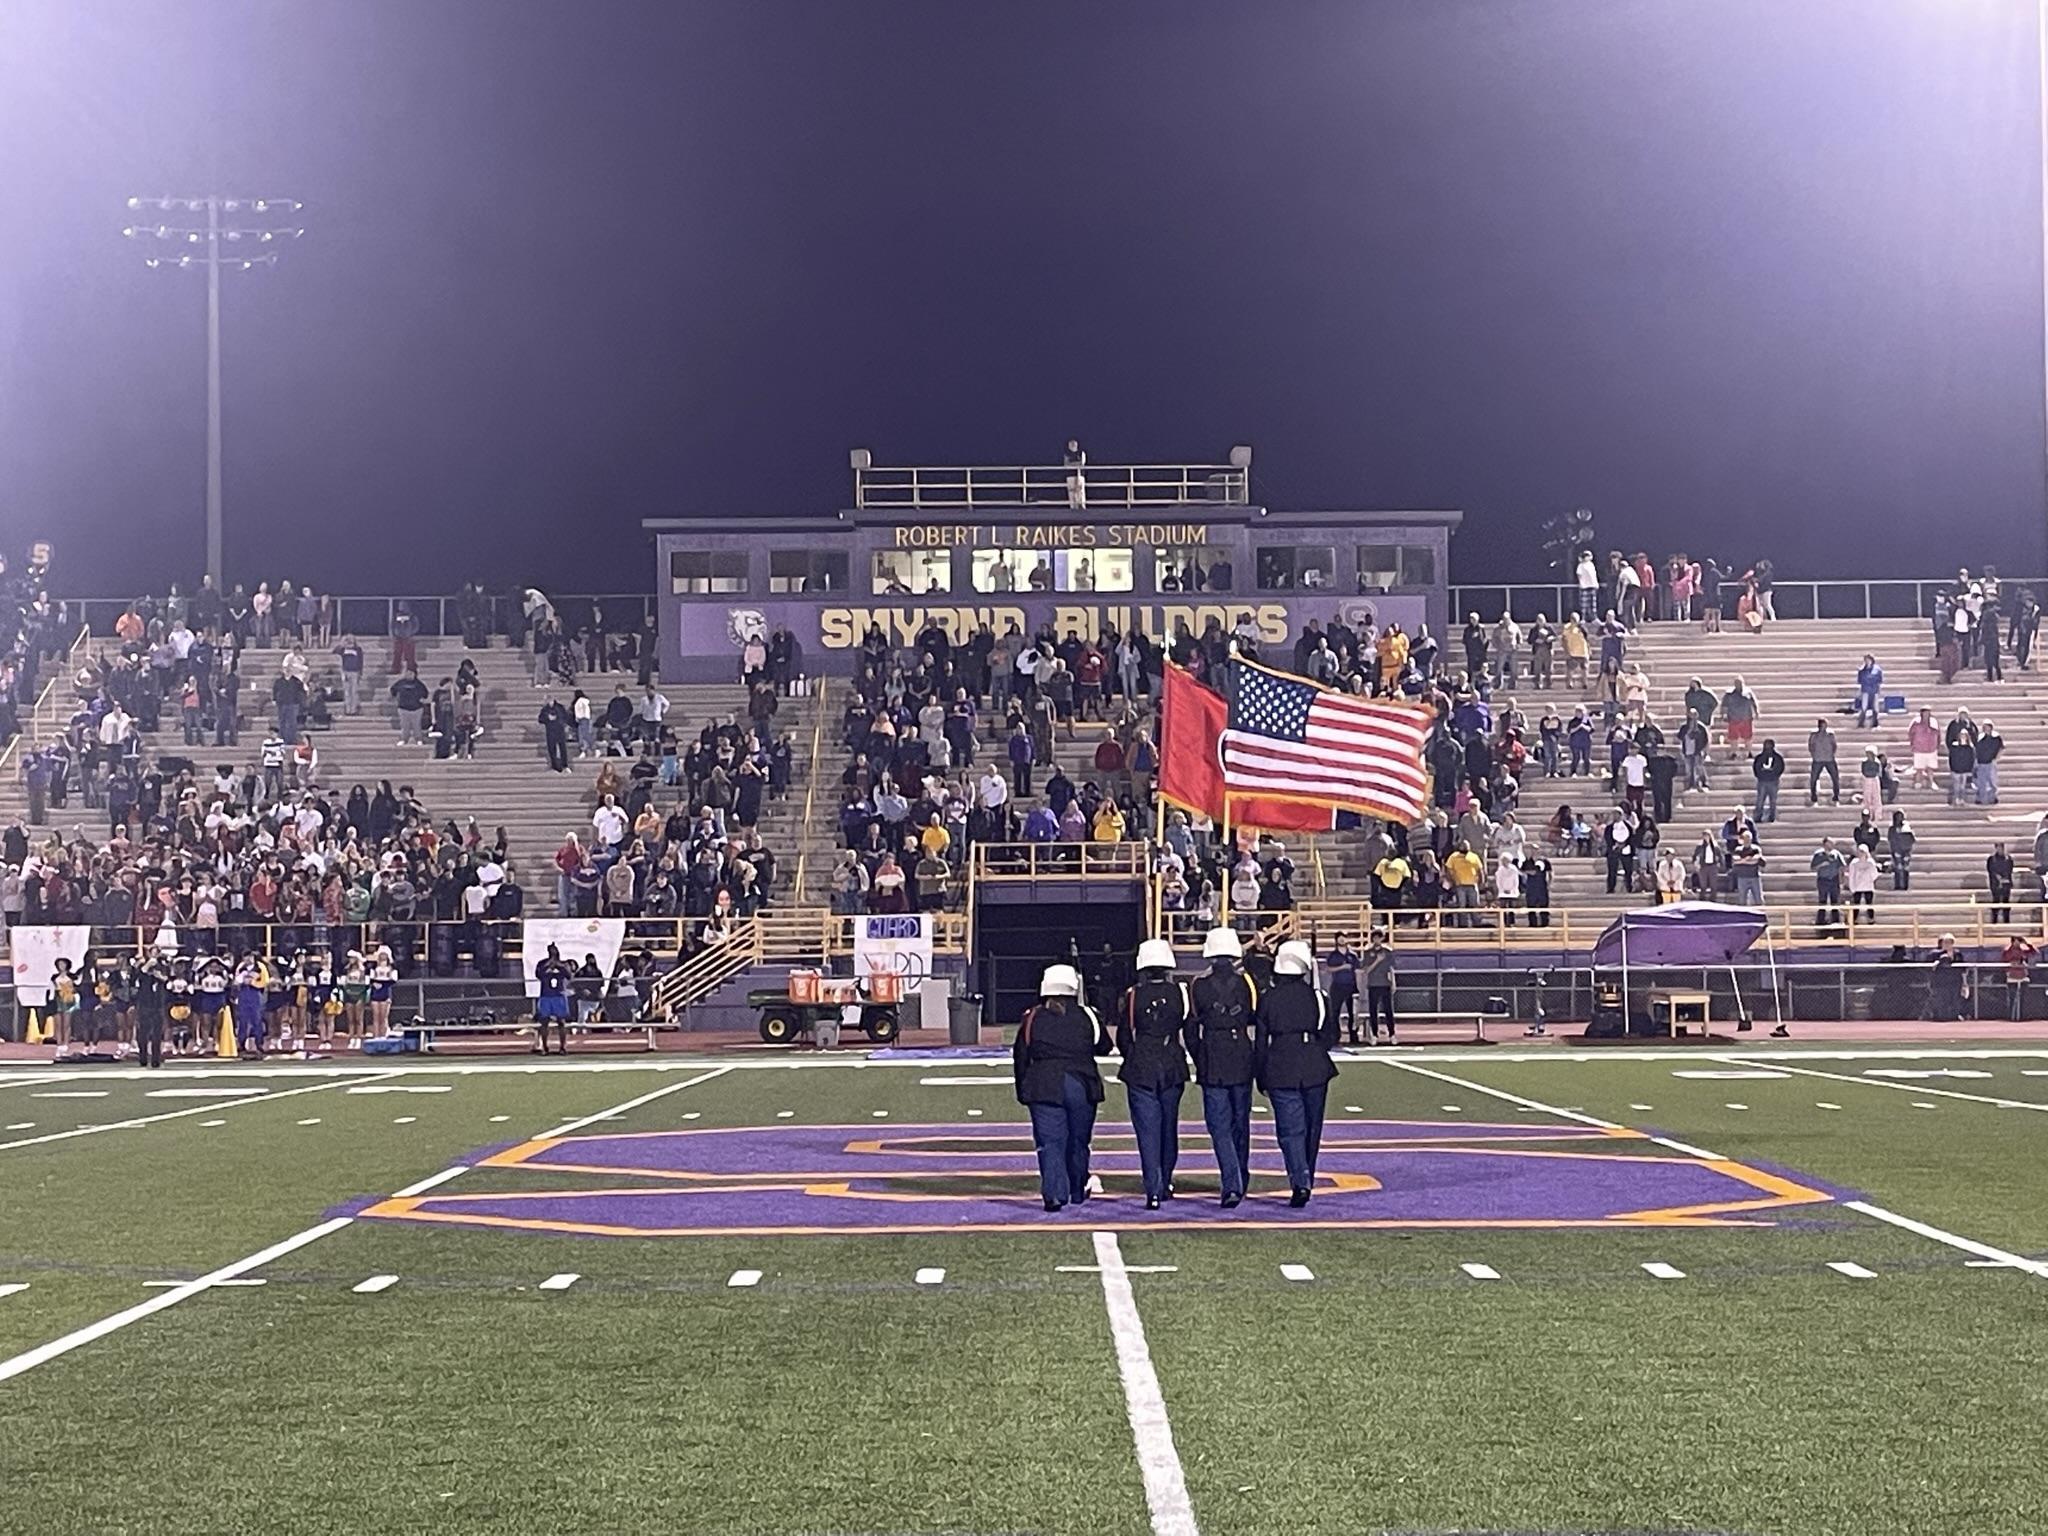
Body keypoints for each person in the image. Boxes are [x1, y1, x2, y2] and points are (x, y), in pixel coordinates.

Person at [1012, 962, 1109, 1211]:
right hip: (1080, 1083)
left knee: (1050, 1142)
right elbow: (1104, 1046)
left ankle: (1054, 1193)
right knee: (1078, 1141)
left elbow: (1021, 1054)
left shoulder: (1032, 1017)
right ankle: (1077, 1189)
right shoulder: (1087, 1015)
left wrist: (1023, 1088)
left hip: (1043, 1085)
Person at [1254, 939, 1337, 1209]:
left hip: (1280, 1064)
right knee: (1312, 1129)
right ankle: (1306, 1177)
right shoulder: (1317, 996)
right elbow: (1329, 1036)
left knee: (1290, 1131)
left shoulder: (1268, 998)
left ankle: (1299, 1180)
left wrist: (1262, 1074)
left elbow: (1261, 1041)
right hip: (1314, 1065)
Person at [1117, 940, 1191, 1210]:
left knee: (1148, 1131)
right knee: (1168, 1128)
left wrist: (1134, 1056)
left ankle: (1153, 1189)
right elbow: (1189, 1028)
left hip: (1141, 1065)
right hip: (1171, 1062)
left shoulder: (1133, 995)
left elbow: (1124, 1036)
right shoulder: (1180, 993)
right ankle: (1166, 1180)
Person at [1188, 926, 1257, 1209]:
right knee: (1240, 1123)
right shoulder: (1247, 982)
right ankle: (1239, 1176)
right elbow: (1254, 1017)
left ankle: (1232, 1182)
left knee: (1219, 1126)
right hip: (1240, 1054)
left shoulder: (1198, 985)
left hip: (1213, 1056)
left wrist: (1199, 1056)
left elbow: (1192, 1027)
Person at [1361, 930, 1396, 1043]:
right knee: (1373, 1011)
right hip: (1373, 985)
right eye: (1375, 938)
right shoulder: (1368, 953)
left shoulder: (1387, 952)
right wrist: (1377, 961)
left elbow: (1391, 969)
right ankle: (1374, 1034)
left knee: (1388, 1011)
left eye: (1379, 938)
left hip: (1385, 984)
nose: (1377, 940)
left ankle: (1392, 1034)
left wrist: (1393, 983)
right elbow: (1366, 970)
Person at [1326, 935, 1360, 1044]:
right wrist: (1341, 967)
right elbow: (1328, 969)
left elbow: (1358, 971)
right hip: (1337, 986)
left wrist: (1357, 988)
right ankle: (1335, 1036)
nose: (1342, 940)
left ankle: (1353, 1036)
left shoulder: (1352, 955)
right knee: (1334, 1013)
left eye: (1344, 937)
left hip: (1350, 986)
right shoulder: (1333, 955)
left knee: (1352, 1013)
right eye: (1339, 938)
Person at [1927, 933, 1968, 1023]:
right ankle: (1939, 1016)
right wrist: (1937, 963)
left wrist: (1965, 983)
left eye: (1950, 942)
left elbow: (1963, 969)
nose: (1947, 944)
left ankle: (1955, 1015)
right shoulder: (1935, 954)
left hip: (1955, 980)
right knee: (1941, 999)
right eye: (1945, 942)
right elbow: (1929, 968)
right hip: (1940, 981)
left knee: (1955, 998)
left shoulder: (1957, 954)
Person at [1751, 738, 1785, 823]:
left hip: (1772, 781)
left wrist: (1774, 777)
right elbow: (1756, 768)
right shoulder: (1760, 757)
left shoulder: (1777, 758)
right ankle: (1758, 816)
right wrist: (1760, 776)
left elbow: (1781, 768)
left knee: (1772, 801)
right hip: (1763, 781)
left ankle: (1772, 816)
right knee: (1760, 800)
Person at [1806, 719, 1840, 806]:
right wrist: (1814, 754)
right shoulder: (1814, 735)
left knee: (1835, 778)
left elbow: (1834, 745)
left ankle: (1836, 795)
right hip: (1818, 759)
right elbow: (1811, 746)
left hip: (1829, 759)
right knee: (1814, 778)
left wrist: (1832, 753)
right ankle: (1813, 796)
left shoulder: (1830, 734)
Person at [2003, 934, 2036, 1020]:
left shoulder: (2023, 951)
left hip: (2023, 976)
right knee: (2012, 998)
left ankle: (2022, 1017)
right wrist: (2008, 972)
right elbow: (2004, 961)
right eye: (2017, 940)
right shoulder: (2008, 951)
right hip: (2012, 977)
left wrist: (2027, 943)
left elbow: (2034, 952)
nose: (2018, 943)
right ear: (2013, 942)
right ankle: (2011, 1017)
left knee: (2023, 999)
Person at [1987, 842, 2016, 927]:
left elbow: (2010, 869)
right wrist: (1998, 877)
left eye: (2001, 848)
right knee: (1995, 901)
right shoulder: (1991, 859)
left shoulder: (2008, 859)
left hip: (2006, 883)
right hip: (1995, 884)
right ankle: (1994, 921)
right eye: (1998, 848)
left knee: (2006, 901)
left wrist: (2005, 878)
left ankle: (2006, 921)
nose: (2000, 849)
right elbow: (1990, 870)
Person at [1855, 654, 1883, 729]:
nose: (1867, 661)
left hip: (1874, 690)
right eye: (1865, 660)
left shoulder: (1877, 670)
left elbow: (1880, 680)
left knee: (1875, 707)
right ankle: (1861, 723)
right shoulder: (1862, 670)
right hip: (1865, 690)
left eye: (1868, 660)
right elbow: (1859, 680)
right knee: (1864, 707)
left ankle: (1875, 723)